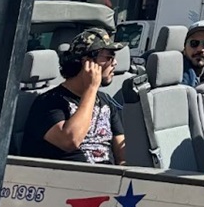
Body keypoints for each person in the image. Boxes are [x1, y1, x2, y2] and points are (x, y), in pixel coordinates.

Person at [21, 27, 126, 164]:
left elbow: (122, 155)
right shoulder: (50, 102)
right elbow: (70, 140)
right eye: (109, 57)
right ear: (87, 62)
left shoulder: (106, 101)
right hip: (68, 181)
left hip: (107, 180)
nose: (115, 63)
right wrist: (91, 88)